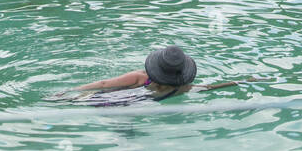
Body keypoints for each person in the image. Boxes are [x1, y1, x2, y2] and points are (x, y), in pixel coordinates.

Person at [72, 46, 240, 99]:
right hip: (131, 107)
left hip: (103, 99)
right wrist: (240, 82)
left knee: (74, 100)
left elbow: (103, 84)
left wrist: (72, 91)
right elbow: (208, 87)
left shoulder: (140, 77)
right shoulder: (180, 89)